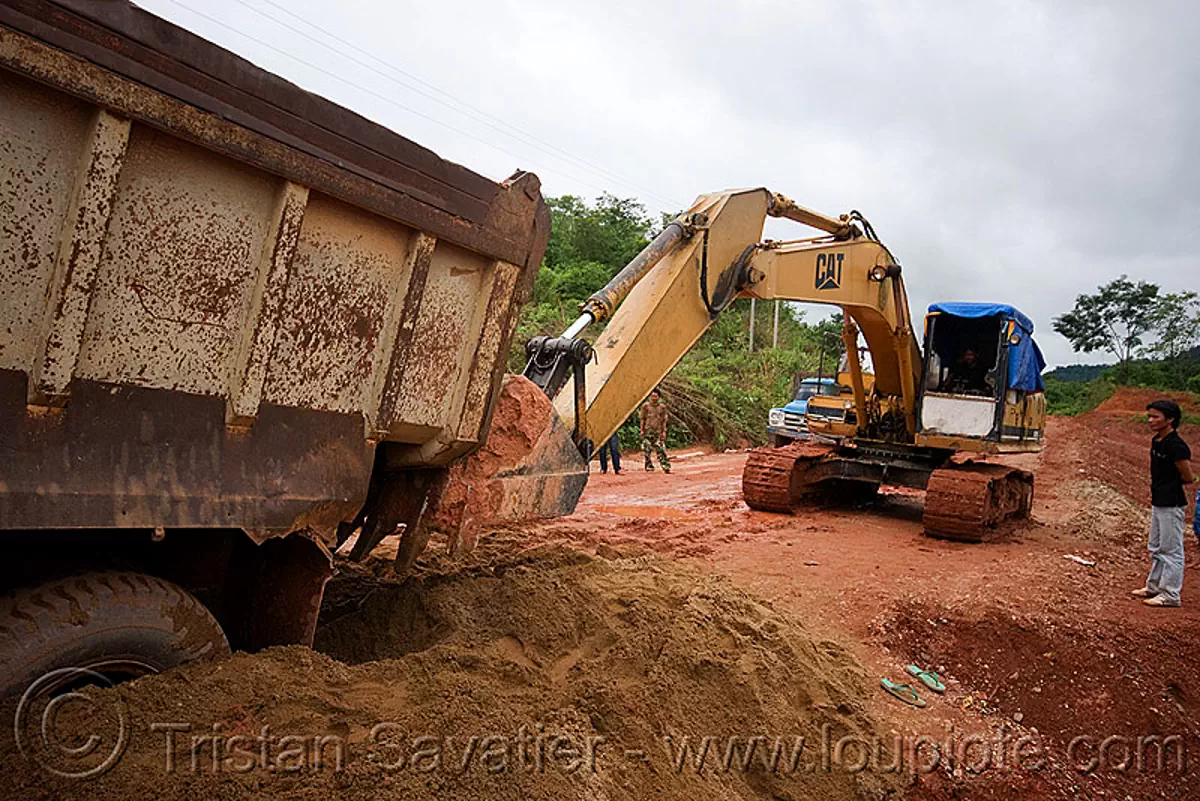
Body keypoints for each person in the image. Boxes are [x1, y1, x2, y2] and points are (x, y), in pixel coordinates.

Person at [1132, 399, 1196, 608]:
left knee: (1170, 549)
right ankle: (1154, 586)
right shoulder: (1158, 440)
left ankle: (1170, 594)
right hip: (1159, 500)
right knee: (1156, 546)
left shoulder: (1176, 446)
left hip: (1171, 503)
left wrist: (1168, 486)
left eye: (1155, 417)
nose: (1150, 420)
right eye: (1149, 416)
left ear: (1170, 419)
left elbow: (1188, 477)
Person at [639, 389, 670, 473]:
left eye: (655, 396)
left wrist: (664, 432)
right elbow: (642, 419)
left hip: (658, 431)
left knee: (660, 449)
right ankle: (649, 466)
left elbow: (664, 420)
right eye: (652, 396)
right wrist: (641, 430)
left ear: (659, 397)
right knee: (647, 449)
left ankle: (665, 466)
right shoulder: (645, 406)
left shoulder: (662, 407)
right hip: (647, 431)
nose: (653, 398)